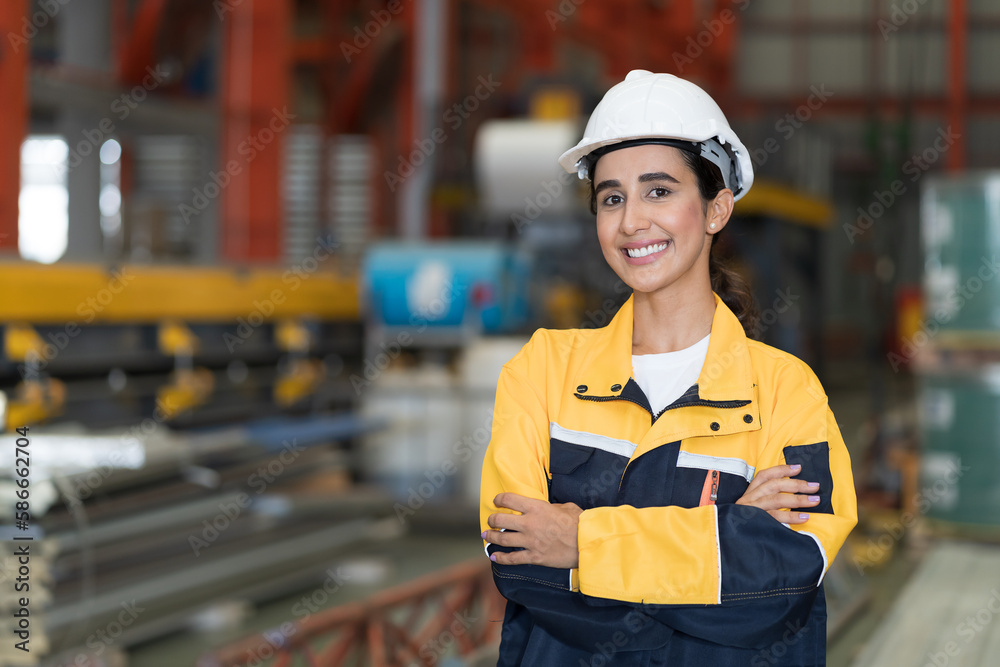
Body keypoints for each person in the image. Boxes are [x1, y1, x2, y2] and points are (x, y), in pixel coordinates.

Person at [479, 70, 857, 666]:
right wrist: (727, 538)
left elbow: (785, 577)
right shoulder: (544, 370)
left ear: (716, 208)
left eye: (658, 191)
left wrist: (581, 543)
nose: (632, 222)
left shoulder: (785, 389)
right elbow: (520, 565)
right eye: (612, 197)